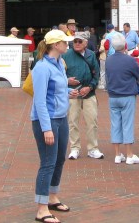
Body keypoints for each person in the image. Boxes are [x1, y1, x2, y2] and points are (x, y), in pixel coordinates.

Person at [30, 29, 74, 223]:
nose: (67, 45)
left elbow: (56, 89)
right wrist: (46, 128)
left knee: (59, 159)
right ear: (55, 45)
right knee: (48, 162)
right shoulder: (42, 67)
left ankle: (52, 196)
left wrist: (69, 91)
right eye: (65, 42)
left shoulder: (59, 63)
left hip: (60, 117)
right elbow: (40, 100)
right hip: (46, 119)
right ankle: (41, 209)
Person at [63, 31, 103, 161]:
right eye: (75, 41)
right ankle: (74, 148)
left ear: (86, 43)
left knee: (92, 121)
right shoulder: (66, 55)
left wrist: (90, 87)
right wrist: (67, 81)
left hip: (89, 93)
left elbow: (96, 75)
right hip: (73, 94)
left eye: (80, 41)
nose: (77, 43)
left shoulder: (91, 55)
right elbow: (59, 74)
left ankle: (93, 148)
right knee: (72, 121)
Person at [104, 34, 139, 165]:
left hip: (113, 96)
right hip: (127, 95)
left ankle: (117, 154)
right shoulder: (130, 60)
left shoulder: (108, 60)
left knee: (115, 124)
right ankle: (129, 155)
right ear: (125, 45)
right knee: (127, 124)